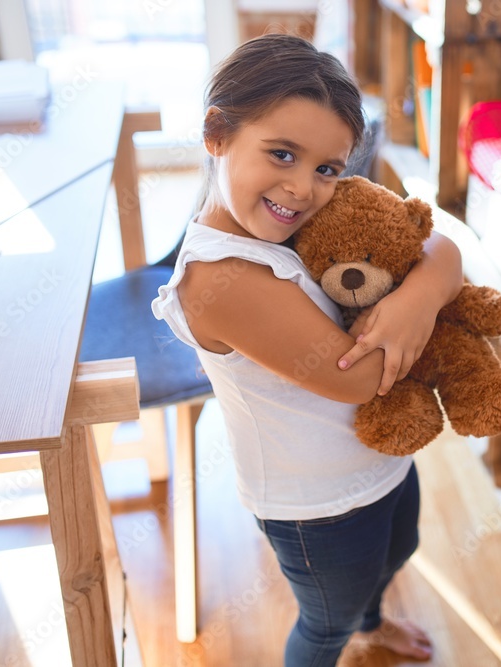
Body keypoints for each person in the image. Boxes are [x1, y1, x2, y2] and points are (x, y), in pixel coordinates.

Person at [152, 34, 463, 665]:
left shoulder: (284, 217)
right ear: (217, 133)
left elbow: (435, 243)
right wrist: (428, 293)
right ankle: (357, 626)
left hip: (381, 461)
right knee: (327, 623)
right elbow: (357, 377)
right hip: (315, 505)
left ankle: (372, 625)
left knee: (396, 554)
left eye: (327, 169)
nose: (301, 189)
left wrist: (416, 299)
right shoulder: (221, 279)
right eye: (282, 154)